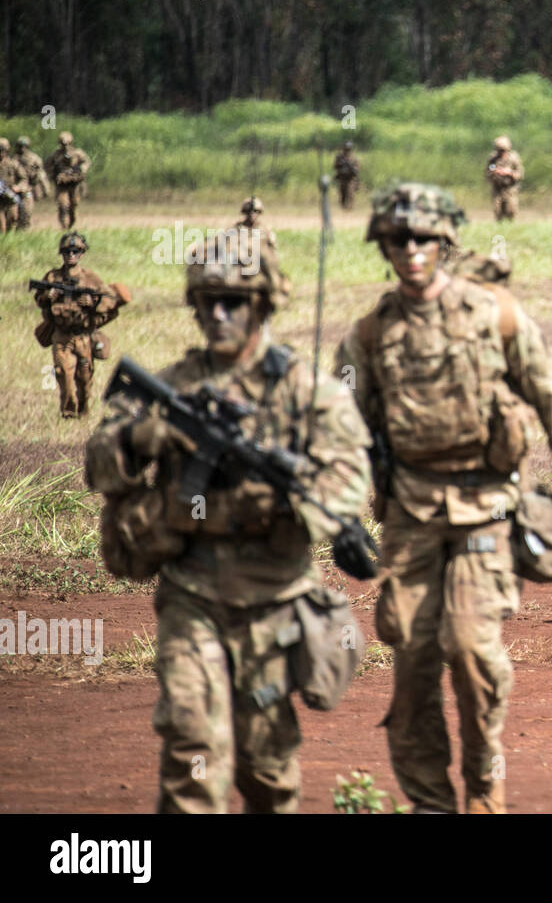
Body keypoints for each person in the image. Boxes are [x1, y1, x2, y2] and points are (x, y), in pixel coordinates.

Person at [335, 183, 552, 814]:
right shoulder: (369, 335)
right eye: (398, 240)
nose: (411, 250)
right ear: (384, 247)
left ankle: (484, 792)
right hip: (410, 518)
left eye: (423, 238)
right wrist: (341, 514)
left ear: (445, 243)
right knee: (413, 667)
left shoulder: (495, 317)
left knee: (472, 651)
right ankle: (431, 803)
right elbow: (338, 432)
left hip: (488, 512)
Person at [83, 230, 372, 813]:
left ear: (262, 305)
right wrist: (141, 438)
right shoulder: (174, 386)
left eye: (233, 301)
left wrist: (290, 502)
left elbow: (349, 478)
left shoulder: (306, 391)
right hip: (192, 597)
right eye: (207, 301)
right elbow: (97, 463)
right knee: (193, 752)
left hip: (275, 606)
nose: (218, 314)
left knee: (267, 770)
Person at [32, 232, 127, 418]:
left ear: (82, 253)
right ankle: (69, 414)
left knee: (84, 378)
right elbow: (39, 299)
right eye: (67, 251)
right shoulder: (52, 277)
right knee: (63, 374)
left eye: (75, 251)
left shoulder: (90, 278)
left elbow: (109, 300)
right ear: (61, 253)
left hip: (83, 337)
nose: (71, 255)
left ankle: (84, 408)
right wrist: (47, 296)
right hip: (61, 336)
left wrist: (92, 302)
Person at [44, 131, 91, 228]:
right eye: (63, 144)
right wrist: (54, 175)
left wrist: (80, 170)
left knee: (73, 206)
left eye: (67, 144)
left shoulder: (78, 153)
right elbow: (47, 166)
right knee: (63, 205)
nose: (65, 146)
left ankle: (71, 224)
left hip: (75, 185)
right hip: (62, 186)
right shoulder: (56, 155)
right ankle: (64, 226)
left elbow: (86, 162)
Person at [485, 135, 524, 221]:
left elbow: (520, 174)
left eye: (503, 150)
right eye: (499, 150)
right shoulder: (493, 159)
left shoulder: (513, 158)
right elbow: (488, 172)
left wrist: (509, 172)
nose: (501, 153)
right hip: (497, 189)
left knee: (511, 211)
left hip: (510, 189)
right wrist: (494, 172)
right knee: (498, 211)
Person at [0, 137, 29, 232]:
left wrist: (18, 187)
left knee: (12, 219)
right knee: (1, 226)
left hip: (10, 197)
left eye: (3, 151)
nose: (1, 153)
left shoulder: (13, 164)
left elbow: (24, 178)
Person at [333, 142, 362, 210]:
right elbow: (335, 166)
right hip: (342, 177)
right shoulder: (339, 157)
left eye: (348, 149)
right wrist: (340, 165)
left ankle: (350, 207)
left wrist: (353, 168)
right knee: (342, 192)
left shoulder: (354, 157)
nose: (347, 151)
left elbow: (357, 168)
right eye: (346, 149)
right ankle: (343, 206)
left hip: (350, 178)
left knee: (350, 192)